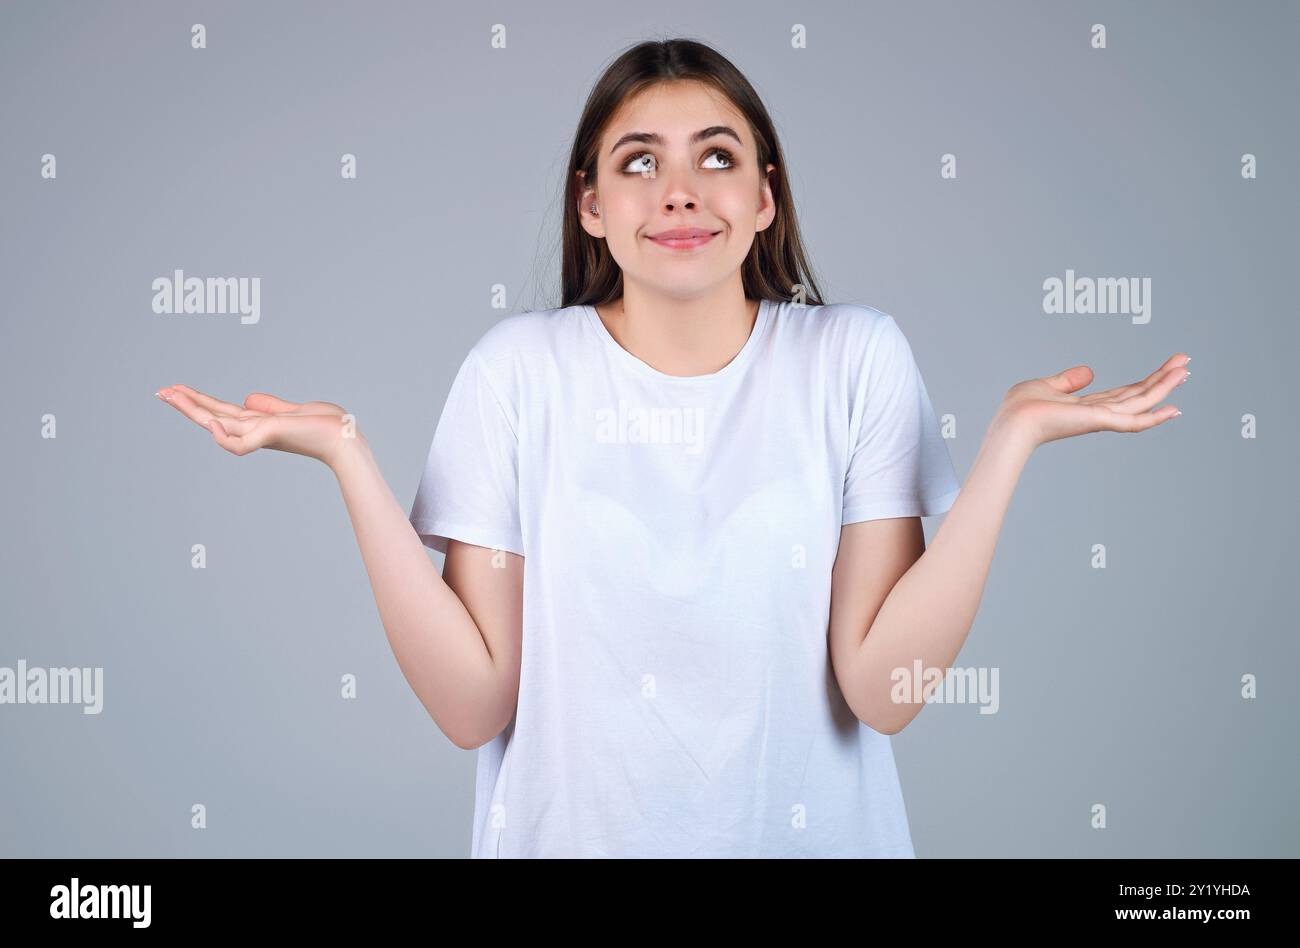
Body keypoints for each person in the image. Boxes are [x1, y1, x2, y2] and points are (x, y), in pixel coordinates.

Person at [155, 38, 1188, 858]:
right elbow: (473, 706)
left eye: (717, 157)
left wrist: (1007, 446)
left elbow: (885, 688)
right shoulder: (516, 373)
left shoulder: (854, 360)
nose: (680, 190)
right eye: (639, 161)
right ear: (592, 205)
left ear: (764, 197)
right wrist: (345, 451)